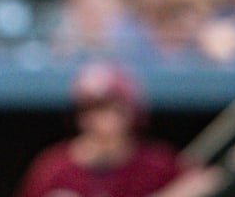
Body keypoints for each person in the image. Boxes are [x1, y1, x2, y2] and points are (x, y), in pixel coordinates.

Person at [16, 62, 219, 197]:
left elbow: (208, 181)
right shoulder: (53, 168)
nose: (102, 120)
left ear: (131, 113)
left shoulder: (160, 165)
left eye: (112, 109)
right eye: (92, 109)